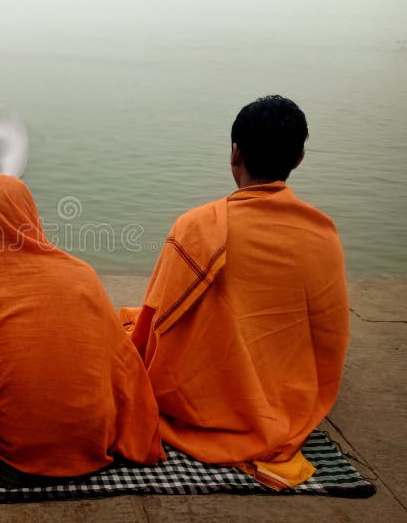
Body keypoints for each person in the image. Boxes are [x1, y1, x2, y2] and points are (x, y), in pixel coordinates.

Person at [122, 95, 349, 490]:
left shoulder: (197, 227)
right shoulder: (323, 233)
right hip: (291, 398)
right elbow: (329, 334)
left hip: (199, 401)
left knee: (125, 327)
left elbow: (156, 325)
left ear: (235, 153)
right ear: (298, 159)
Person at [0, 174, 163, 481]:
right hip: (93, 443)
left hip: (13, 456)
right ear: (29, 215)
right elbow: (121, 361)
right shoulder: (82, 276)